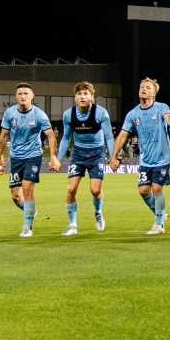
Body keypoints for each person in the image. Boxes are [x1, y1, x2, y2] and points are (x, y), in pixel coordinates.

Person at [110, 78, 170, 235]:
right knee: (143, 190)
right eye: (142, 87)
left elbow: (169, 118)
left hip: (162, 156)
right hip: (145, 159)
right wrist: (113, 156)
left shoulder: (161, 107)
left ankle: (159, 225)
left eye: (147, 87)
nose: (143, 89)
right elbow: (123, 135)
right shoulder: (133, 114)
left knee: (156, 189)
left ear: (154, 93)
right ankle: (160, 214)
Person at [0, 83, 59, 237]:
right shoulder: (10, 113)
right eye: (20, 94)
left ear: (32, 96)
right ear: (16, 96)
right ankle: (30, 210)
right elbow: (4, 136)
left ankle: (27, 227)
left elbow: (50, 136)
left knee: (27, 187)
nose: (23, 96)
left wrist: (52, 156)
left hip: (33, 156)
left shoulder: (39, 115)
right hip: (16, 157)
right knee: (16, 197)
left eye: (25, 93)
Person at [57, 81, 114, 236]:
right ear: (75, 97)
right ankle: (72, 225)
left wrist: (113, 156)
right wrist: (58, 158)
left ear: (92, 97)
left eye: (85, 93)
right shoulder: (69, 115)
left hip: (97, 154)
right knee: (71, 189)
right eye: (79, 94)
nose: (82, 96)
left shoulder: (101, 113)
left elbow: (109, 136)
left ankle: (98, 211)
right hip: (78, 154)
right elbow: (66, 138)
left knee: (95, 190)